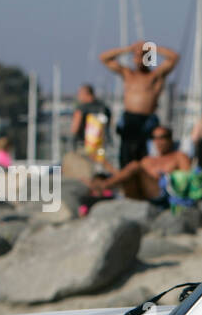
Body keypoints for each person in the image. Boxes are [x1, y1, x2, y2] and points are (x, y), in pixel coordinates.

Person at [99, 39, 180, 168]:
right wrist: (129, 49)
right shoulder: (128, 74)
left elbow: (174, 57)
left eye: (143, 56)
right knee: (126, 156)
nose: (139, 59)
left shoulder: (155, 76)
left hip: (147, 120)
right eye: (137, 56)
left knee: (147, 156)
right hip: (129, 119)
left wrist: (151, 48)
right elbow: (104, 58)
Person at [90, 124, 189, 203]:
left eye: (162, 138)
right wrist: (106, 165)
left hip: (162, 192)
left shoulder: (178, 156)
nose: (158, 142)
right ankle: (104, 185)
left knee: (134, 165)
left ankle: (104, 185)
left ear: (170, 139)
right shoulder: (148, 160)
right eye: (154, 138)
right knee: (130, 171)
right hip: (141, 193)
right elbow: (125, 175)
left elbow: (188, 179)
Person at [69, 84, 111, 160]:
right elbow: (108, 126)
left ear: (86, 94)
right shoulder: (104, 108)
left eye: (80, 94)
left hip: (84, 145)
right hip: (100, 146)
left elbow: (75, 127)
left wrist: (72, 145)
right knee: (98, 168)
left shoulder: (81, 108)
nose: (78, 96)